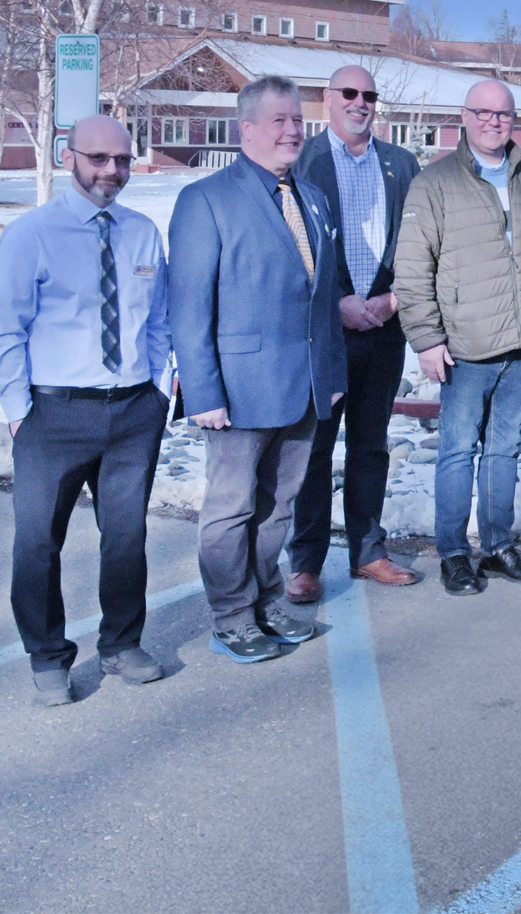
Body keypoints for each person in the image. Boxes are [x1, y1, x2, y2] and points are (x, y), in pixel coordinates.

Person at [0, 115, 171, 705]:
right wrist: (20, 412)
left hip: (133, 413)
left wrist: (159, 389)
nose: (111, 171)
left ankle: (120, 643)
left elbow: (159, 319)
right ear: (69, 157)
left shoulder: (143, 233)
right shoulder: (31, 234)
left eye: (121, 160)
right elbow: (4, 331)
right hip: (53, 416)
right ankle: (47, 655)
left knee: (126, 537)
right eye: (98, 159)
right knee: (38, 541)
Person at [170, 76, 347, 663]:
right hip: (238, 391)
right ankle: (230, 615)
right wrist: (202, 391)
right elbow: (190, 305)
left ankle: (266, 601)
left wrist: (332, 375)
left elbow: (320, 299)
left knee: (280, 506)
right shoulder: (206, 199)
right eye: (279, 120)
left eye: (297, 119)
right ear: (246, 128)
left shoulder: (312, 197)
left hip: (305, 388)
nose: (294, 130)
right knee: (232, 508)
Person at [392, 79, 521, 596]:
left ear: (515, 121)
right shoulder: (436, 183)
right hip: (464, 349)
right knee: (457, 451)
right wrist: (425, 338)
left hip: (518, 347)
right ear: (463, 117)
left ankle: (496, 545)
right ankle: (453, 553)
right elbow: (412, 266)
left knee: (503, 450)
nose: (494, 122)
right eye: (483, 113)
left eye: (504, 114)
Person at [285, 65, 422, 602]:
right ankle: (306, 562)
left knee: (371, 446)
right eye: (349, 93)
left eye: (368, 95)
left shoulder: (402, 165)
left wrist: (394, 298)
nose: (360, 102)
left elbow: (419, 241)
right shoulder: (302, 161)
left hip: (385, 328)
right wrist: (335, 301)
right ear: (327, 98)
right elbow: (291, 245)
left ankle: (368, 551)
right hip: (325, 332)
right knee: (314, 449)